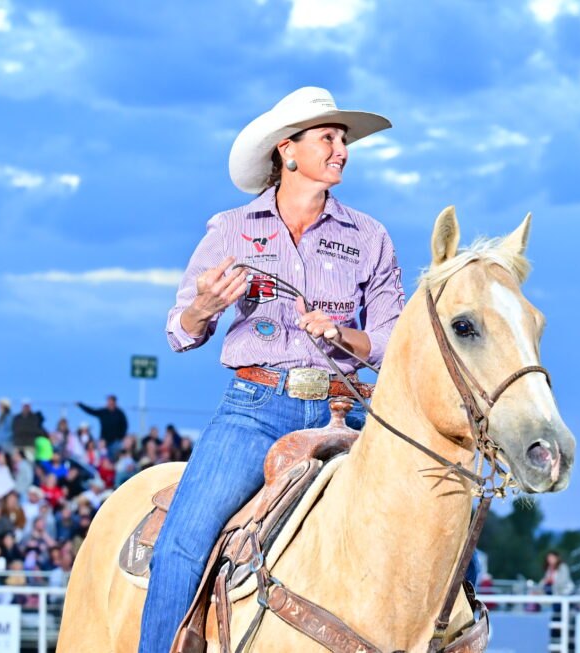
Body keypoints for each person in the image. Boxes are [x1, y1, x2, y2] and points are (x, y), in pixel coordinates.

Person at [139, 86, 403, 653]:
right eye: (328, 138)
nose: (341, 150)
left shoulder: (370, 237)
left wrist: (342, 334)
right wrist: (204, 307)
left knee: (430, 529)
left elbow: (389, 337)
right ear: (288, 151)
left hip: (345, 408)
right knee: (182, 543)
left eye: (343, 139)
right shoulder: (231, 230)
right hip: (255, 410)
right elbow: (179, 331)